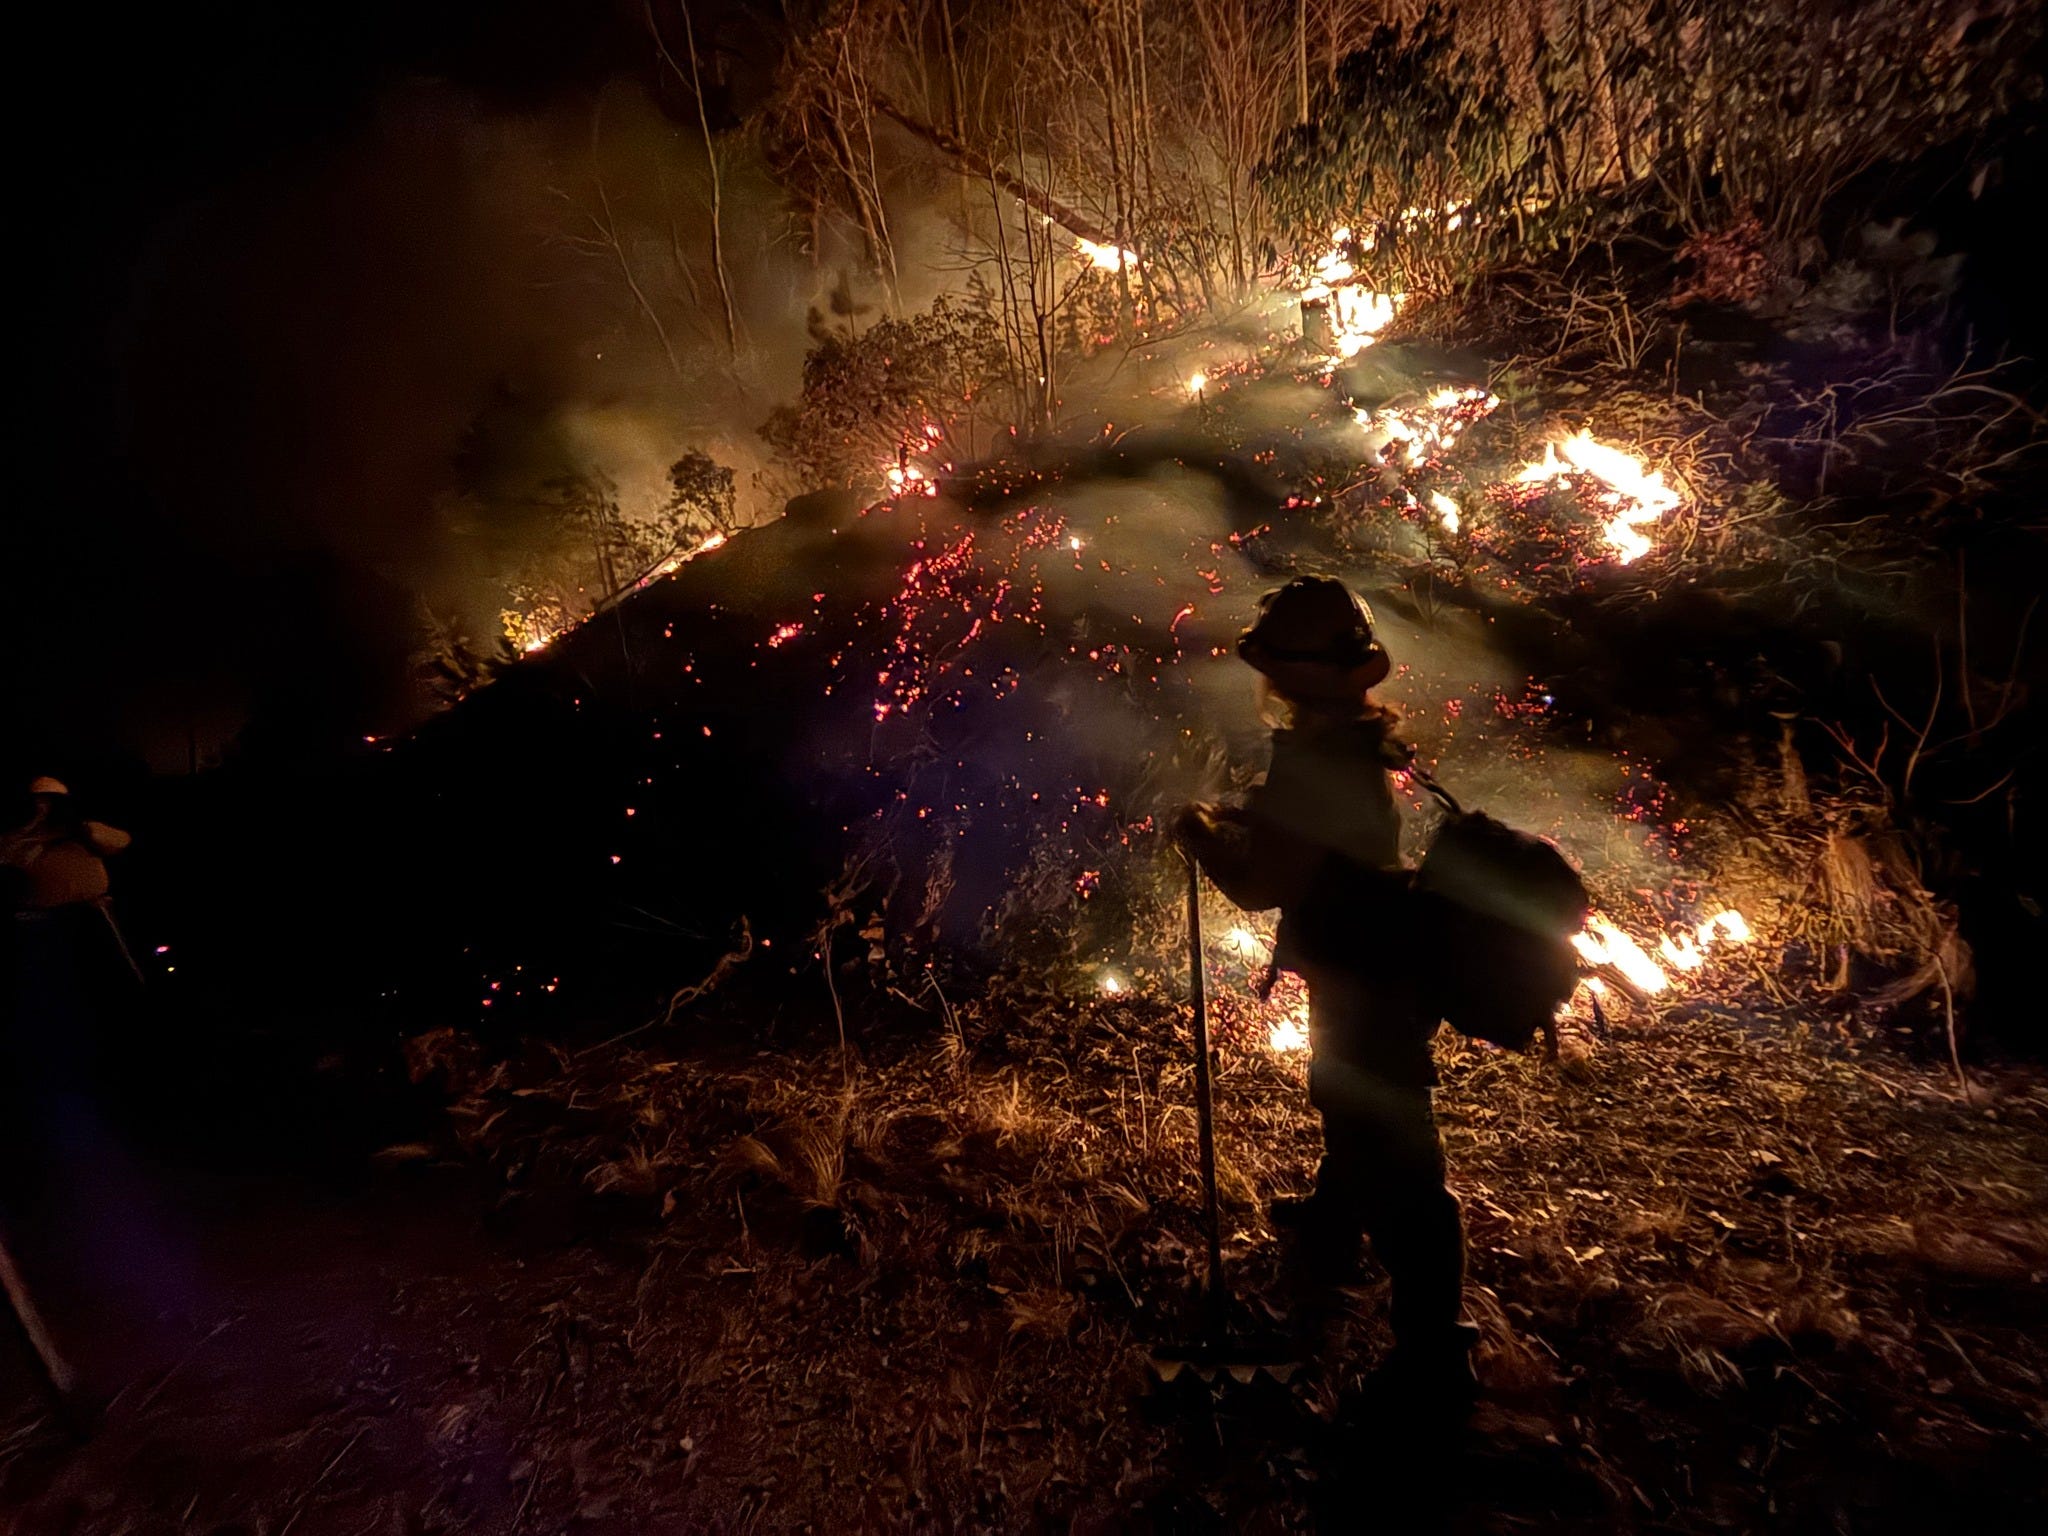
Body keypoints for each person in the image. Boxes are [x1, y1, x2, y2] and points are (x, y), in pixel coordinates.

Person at [1177, 577, 1478, 1408]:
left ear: (1285, 674)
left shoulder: (1317, 754)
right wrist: (1243, 815)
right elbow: (1311, 833)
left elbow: (1262, 884)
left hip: (1366, 970)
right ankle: (1332, 1223)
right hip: (1374, 958)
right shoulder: (1349, 735)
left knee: (1400, 1153)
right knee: (1348, 1100)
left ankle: (1436, 1351)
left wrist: (1203, 841)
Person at [1, 776, 136, 1422]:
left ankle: (125, 1079)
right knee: (66, 1021)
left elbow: (120, 841)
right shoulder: (18, 842)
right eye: (38, 801)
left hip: (94, 927)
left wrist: (74, 827)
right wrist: (31, 834)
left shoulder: (85, 834)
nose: (44, 809)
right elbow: (12, 861)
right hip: (46, 936)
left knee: (118, 1012)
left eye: (51, 801)